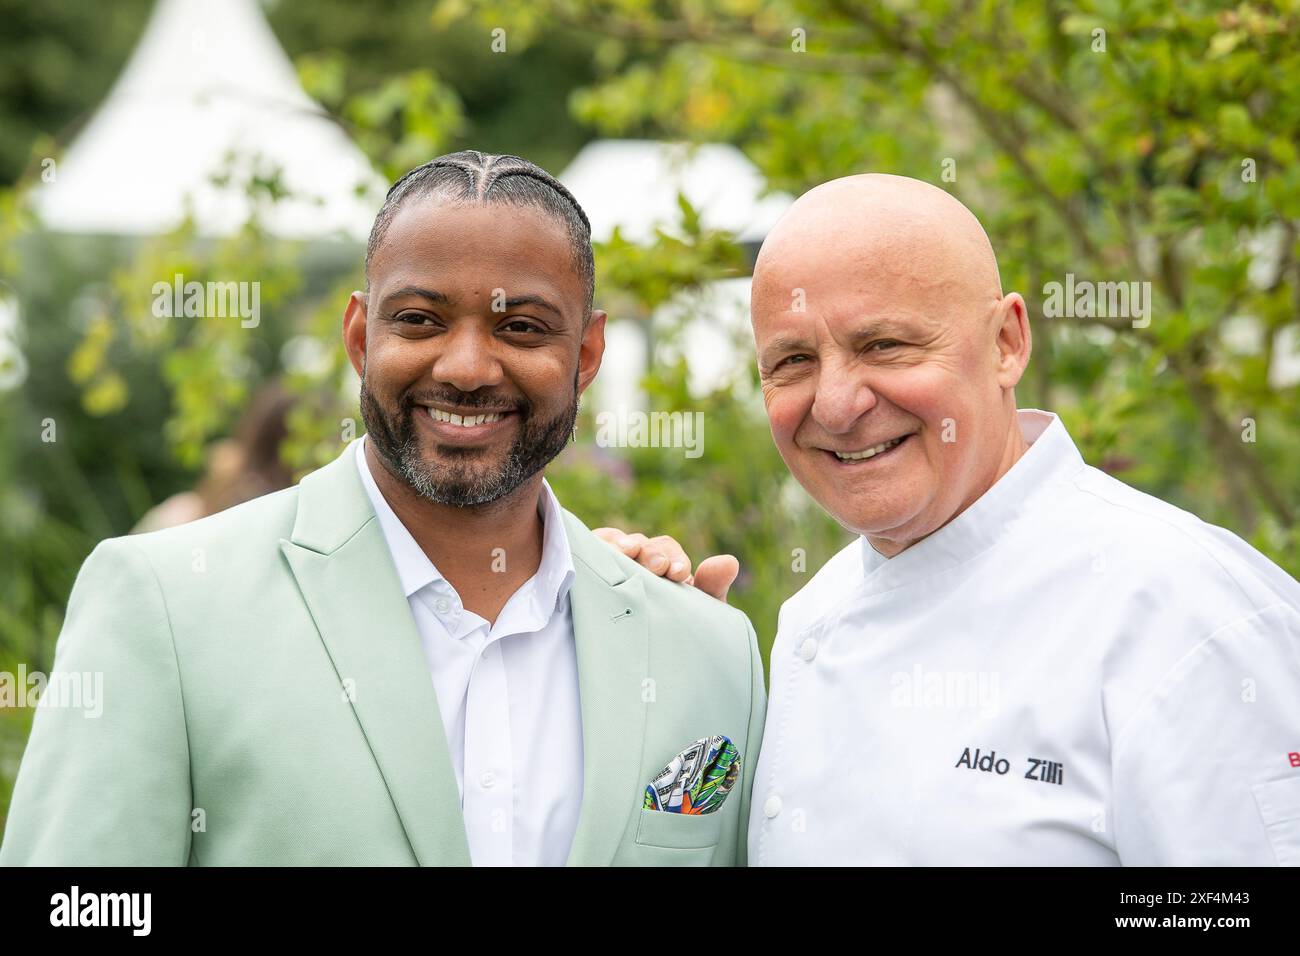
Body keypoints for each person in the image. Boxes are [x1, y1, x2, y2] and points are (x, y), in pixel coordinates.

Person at [0, 151, 765, 867]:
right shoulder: (163, 607)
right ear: (360, 336)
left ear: (587, 355)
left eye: (521, 328)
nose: (466, 368)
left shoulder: (708, 653)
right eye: (421, 320)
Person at [600, 173, 1300, 865]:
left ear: (1006, 343)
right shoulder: (814, 613)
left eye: (884, 345)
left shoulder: (1192, 615)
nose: (836, 405)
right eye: (794, 360)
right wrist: (679, 674)